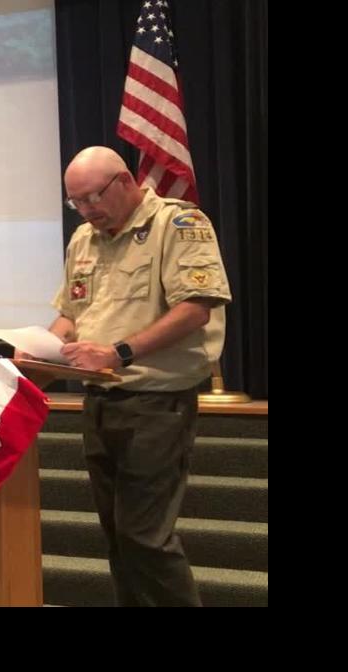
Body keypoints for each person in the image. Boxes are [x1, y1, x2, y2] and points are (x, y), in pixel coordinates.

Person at [45, 146, 230, 606]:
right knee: (118, 539)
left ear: (125, 181)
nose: (87, 210)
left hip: (156, 403)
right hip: (101, 403)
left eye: (93, 197)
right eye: (77, 203)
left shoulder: (179, 224)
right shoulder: (84, 239)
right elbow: (70, 314)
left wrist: (117, 352)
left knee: (145, 537)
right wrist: (40, 351)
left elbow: (195, 309)